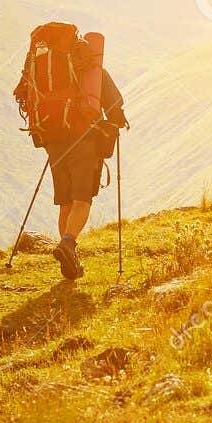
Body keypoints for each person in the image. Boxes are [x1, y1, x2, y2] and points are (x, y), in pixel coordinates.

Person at [43, 67, 126, 280]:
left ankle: (70, 260)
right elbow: (114, 105)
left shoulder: (45, 67)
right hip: (84, 141)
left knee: (65, 202)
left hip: (52, 140)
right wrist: (117, 122)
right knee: (81, 200)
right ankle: (68, 244)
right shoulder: (93, 69)